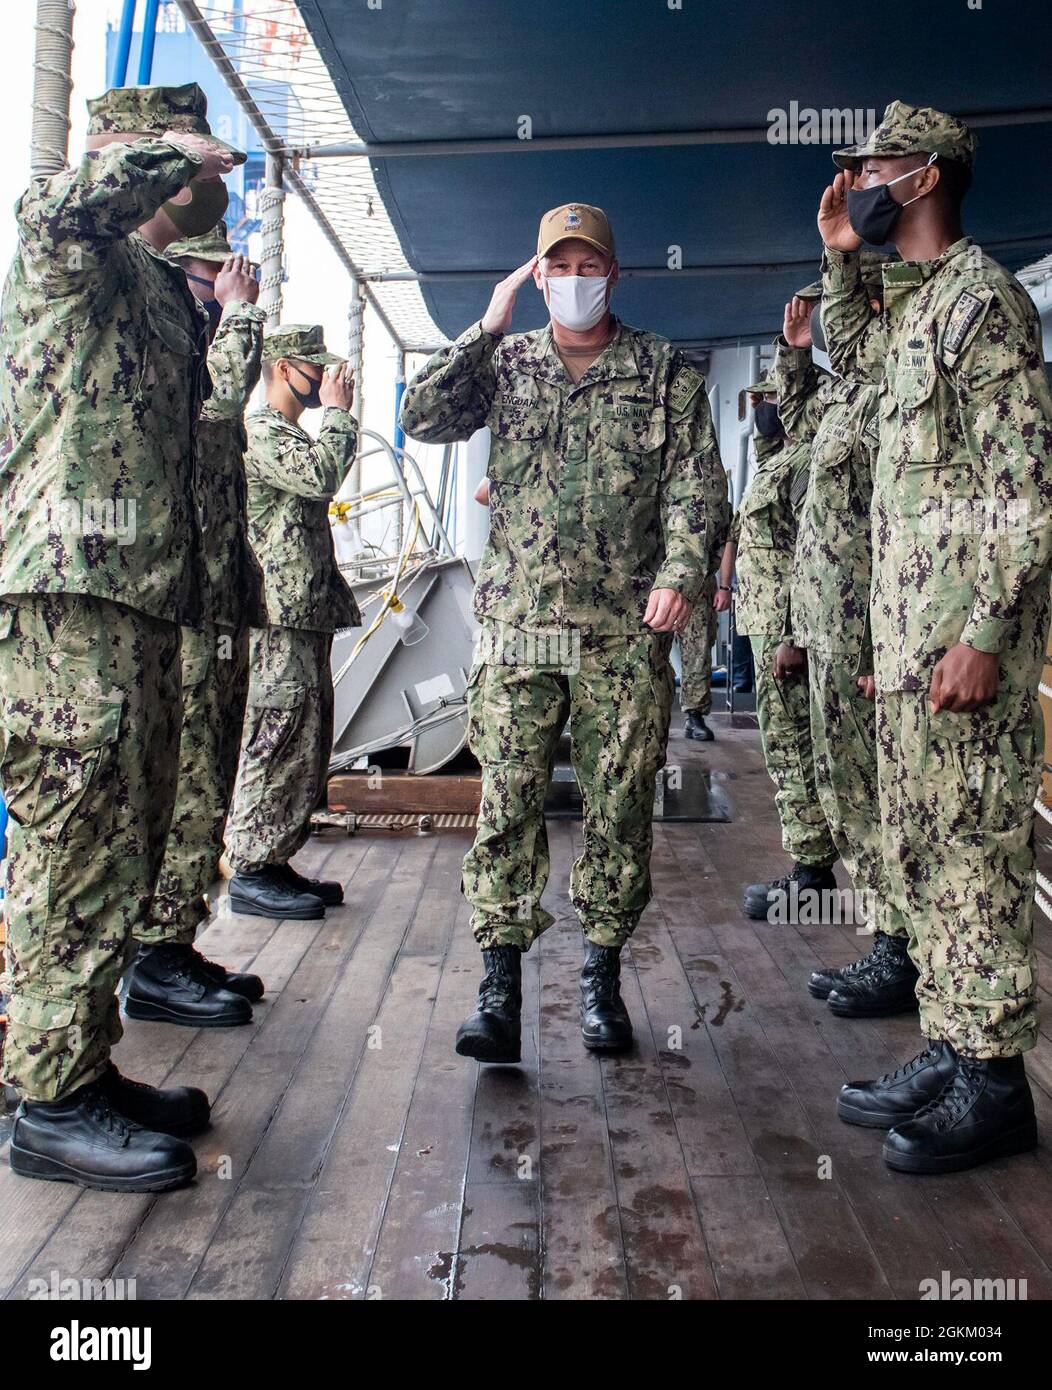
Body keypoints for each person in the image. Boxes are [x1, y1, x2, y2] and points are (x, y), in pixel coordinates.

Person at [400, 203, 729, 1062]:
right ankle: (499, 987)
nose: (575, 279)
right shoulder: (504, 365)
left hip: (622, 635)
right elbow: (421, 417)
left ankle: (600, 978)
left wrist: (681, 575)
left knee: (618, 806)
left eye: (590, 265)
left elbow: (699, 488)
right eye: (560, 266)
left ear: (613, 275)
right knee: (507, 802)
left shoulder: (663, 372)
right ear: (538, 274)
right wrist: (483, 325)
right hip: (522, 631)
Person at [0, 83, 244, 1191]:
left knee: (123, 845)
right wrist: (167, 151)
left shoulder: (156, 287)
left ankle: (83, 1064)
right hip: (67, 591)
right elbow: (59, 208)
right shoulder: (75, 249)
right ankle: (47, 1101)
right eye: (191, 170)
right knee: (74, 837)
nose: (207, 188)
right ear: (139, 156)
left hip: (143, 597)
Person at [825, 102, 1052, 1173]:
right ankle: (951, 1043)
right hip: (913, 652)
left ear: (922, 176)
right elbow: (854, 355)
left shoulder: (984, 305)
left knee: (972, 853)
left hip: (965, 651)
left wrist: (983, 632)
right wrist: (835, 260)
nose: (857, 180)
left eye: (871, 165)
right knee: (922, 850)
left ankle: (996, 1085)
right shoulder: (915, 312)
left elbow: (1025, 488)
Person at [124, 222, 268, 1027]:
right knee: (182, 782)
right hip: (178, 611)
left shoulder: (197, 343)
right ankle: (154, 957)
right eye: (211, 278)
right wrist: (240, 317)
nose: (225, 290)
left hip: (212, 602)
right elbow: (215, 411)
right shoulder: (172, 350)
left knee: (207, 774)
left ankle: (173, 941)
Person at [772, 262, 917, 1018]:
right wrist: (794, 351)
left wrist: (871, 646)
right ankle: (886, 942)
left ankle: (900, 953)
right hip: (829, 632)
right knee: (845, 794)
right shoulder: (849, 398)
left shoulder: (893, 394)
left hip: (862, 640)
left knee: (873, 802)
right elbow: (798, 426)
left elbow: (892, 531)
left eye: (842, 307)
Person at [224, 325, 361, 920]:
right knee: (275, 734)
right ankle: (251, 866)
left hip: (302, 613)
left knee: (306, 737)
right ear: (283, 368)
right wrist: (337, 414)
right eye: (315, 370)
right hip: (276, 617)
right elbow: (321, 476)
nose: (326, 382)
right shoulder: (262, 433)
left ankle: (275, 856)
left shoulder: (287, 435)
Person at [727, 360, 839, 921]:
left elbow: (811, 555)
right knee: (783, 748)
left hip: (786, 635)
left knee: (795, 748)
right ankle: (808, 861)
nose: (760, 410)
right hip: (764, 624)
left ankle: (813, 872)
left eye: (768, 399)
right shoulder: (775, 463)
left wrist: (791, 637)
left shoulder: (808, 464)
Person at [678, 572, 721, 741]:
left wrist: (725, 587)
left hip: (697, 584)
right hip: (651, 582)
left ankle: (694, 716)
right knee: (651, 653)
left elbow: (725, 547)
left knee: (698, 654)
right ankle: (651, 715)